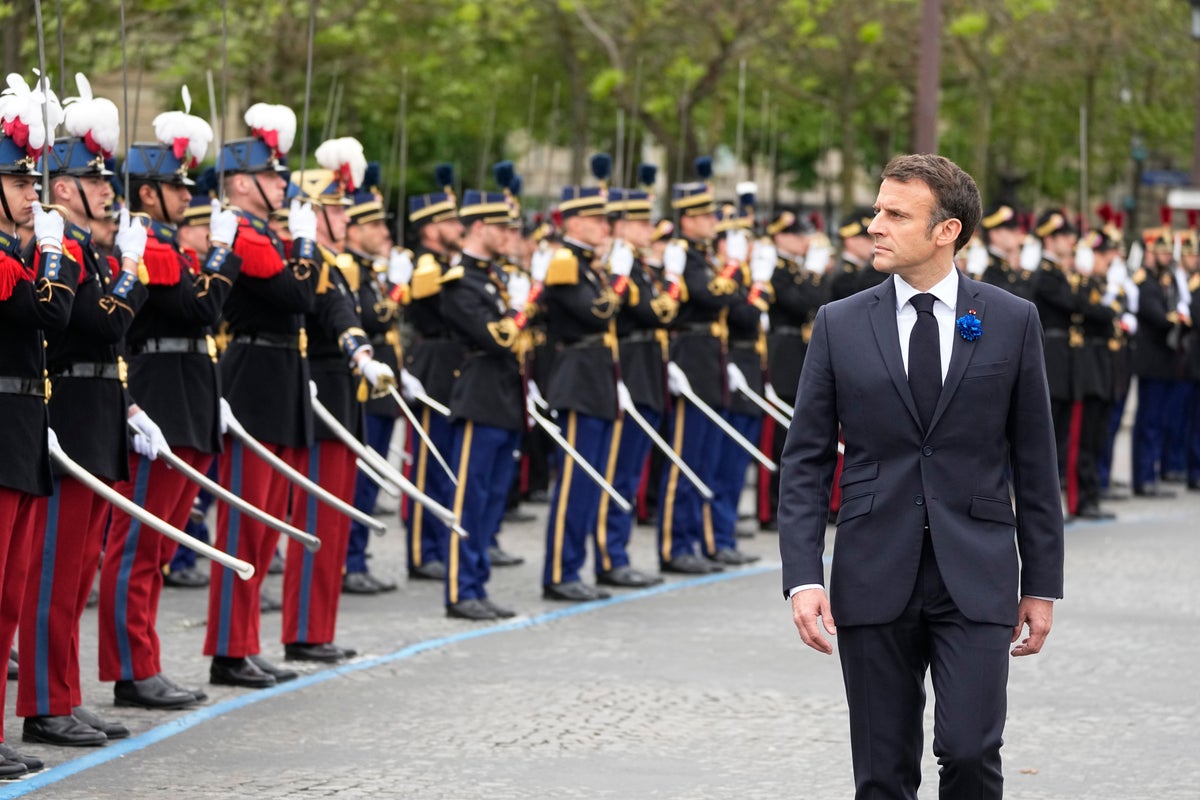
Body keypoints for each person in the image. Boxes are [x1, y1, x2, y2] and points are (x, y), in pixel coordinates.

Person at [779, 153, 1064, 800]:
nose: (874, 224)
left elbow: (1036, 463)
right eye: (877, 209)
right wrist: (802, 576)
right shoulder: (839, 324)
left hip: (978, 571)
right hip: (872, 570)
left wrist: (1043, 585)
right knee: (882, 774)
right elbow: (806, 461)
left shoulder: (1011, 320)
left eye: (894, 214)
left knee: (969, 752)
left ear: (947, 231)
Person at [99, 98, 240, 711]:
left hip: (189, 398)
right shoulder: (151, 247)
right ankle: (131, 667)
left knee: (160, 545)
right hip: (161, 395)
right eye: (177, 188)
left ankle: (146, 659)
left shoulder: (166, 247)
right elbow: (201, 310)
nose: (188, 198)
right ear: (149, 194)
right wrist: (223, 255)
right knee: (139, 544)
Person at [0, 76, 75, 777]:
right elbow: (49, 313)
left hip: (24, 421)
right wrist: (52, 253)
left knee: (9, 596)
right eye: (19, 182)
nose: (33, 194)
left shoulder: (15, 251)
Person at [438, 189, 527, 619]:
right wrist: (523, 312)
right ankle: (460, 589)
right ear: (479, 228)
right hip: (478, 395)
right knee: (470, 498)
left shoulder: (494, 280)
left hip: (506, 396)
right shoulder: (460, 283)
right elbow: (495, 337)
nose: (512, 235)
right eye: (503, 228)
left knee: (492, 499)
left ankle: (479, 583)